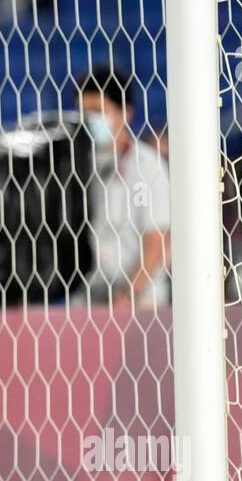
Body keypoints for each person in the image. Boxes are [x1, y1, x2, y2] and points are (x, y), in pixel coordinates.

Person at [77, 67, 171, 310]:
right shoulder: (77, 167)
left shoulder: (148, 166)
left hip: (140, 302)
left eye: (98, 112)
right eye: (83, 113)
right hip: (88, 301)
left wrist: (125, 297)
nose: (89, 121)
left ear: (126, 113)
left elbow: (157, 242)